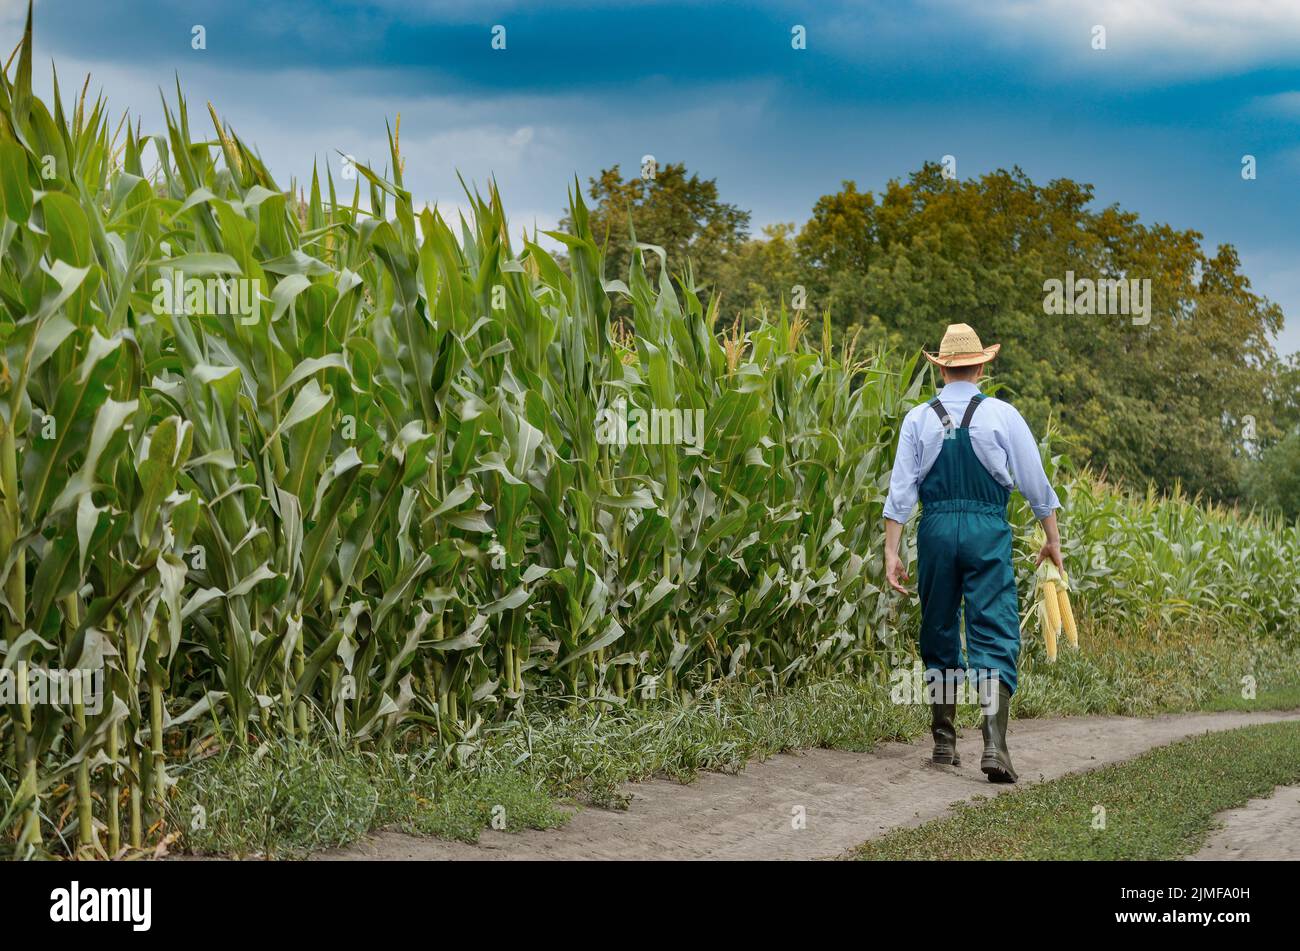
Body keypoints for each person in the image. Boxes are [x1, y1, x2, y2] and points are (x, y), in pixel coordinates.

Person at [882, 324, 1062, 782]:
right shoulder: (1002, 414)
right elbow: (1035, 482)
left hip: (937, 531)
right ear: (981, 366)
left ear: (941, 369)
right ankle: (994, 747)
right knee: (994, 629)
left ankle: (944, 743)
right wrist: (1051, 538)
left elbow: (900, 492)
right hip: (986, 530)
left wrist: (891, 551)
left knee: (939, 626)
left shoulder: (918, 419)